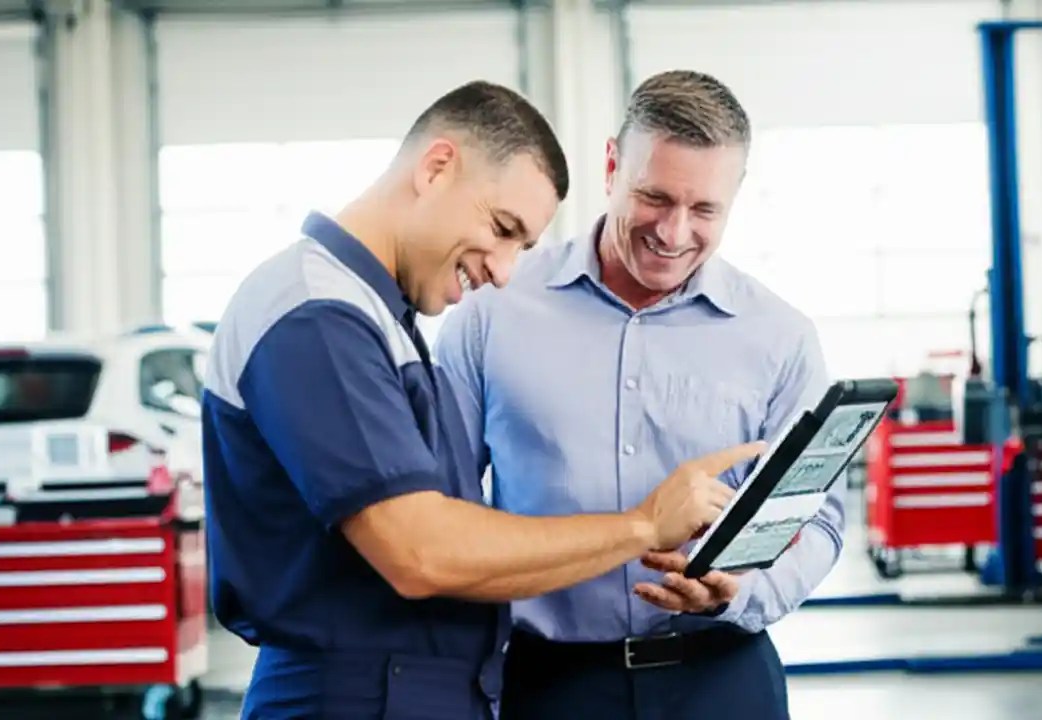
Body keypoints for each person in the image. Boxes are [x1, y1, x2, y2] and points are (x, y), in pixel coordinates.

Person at [199, 80, 764, 720]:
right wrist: (642, 525)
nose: (502, 270)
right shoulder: (317, 317)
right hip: (356, 696)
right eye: (501, 229)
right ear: (437, 167)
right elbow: (421, 551)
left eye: (521, 245)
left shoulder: (382, 321)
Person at [433, 70, 838, 720]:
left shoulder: (780, 338)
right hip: (549, 685)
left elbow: (817, 519)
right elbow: (441, 505)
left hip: (723, 680)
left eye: (705, 210)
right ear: (612, 165)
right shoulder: (493, 310)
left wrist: (744, 590)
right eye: (654, 197)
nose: (674, 233)